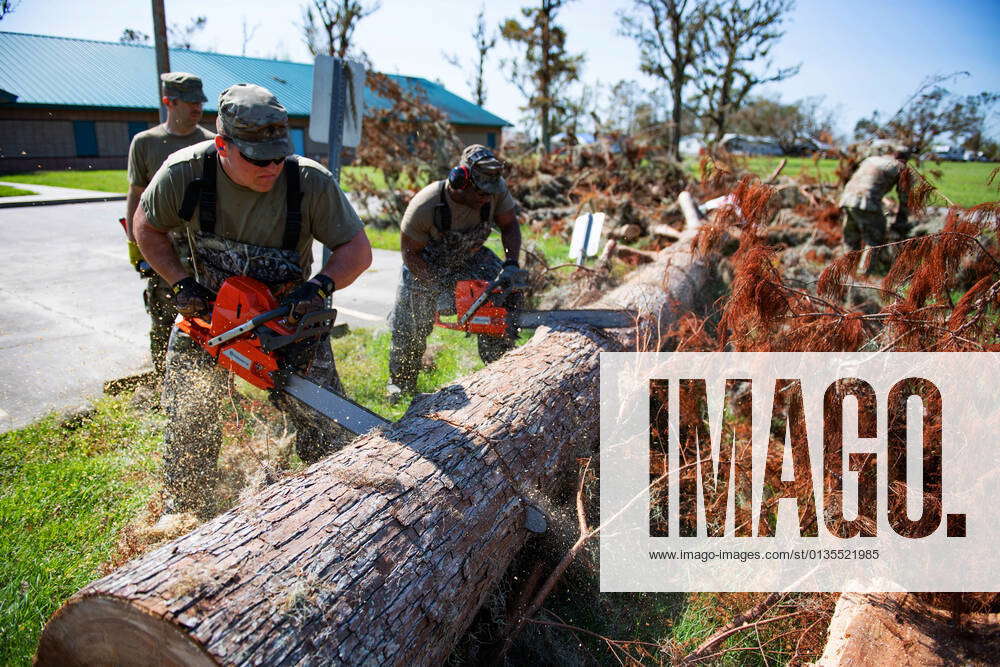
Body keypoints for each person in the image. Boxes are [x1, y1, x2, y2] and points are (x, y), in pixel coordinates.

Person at [134, 83, 372, 516]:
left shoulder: (308, 182)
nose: (272, 167)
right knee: (189, 419)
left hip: (286, 318)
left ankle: (338, 510)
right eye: (259, 159)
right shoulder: (184, 173)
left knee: (330, 428)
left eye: (279, 155)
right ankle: (184, 511)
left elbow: (358, 250)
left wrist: (319, 286)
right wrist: (181, 283)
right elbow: (146, 227)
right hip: (208, 316)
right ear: (222, 145)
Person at [387, 144, 524, 401]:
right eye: (481, 192)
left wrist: (512, 264)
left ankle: (502, 365)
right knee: (410, 326)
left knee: (506, 293)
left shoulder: (496, 191)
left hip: (470, 256)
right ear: (461, 179)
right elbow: (410, 254)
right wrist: (439, 289)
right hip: (427, 264)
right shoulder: (426, 205)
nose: (486, 198)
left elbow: (509, 225)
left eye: (490, 192)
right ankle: (400, 385)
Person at [126, 72, 216, 377]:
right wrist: (134, 244)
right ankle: (163, 378)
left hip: (204, 246)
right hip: (162, 243)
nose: (197, 108)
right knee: (164, 315)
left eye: (200, 102)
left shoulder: (210, 143)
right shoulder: (146, 143)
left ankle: (210, 382)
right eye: (190, 102)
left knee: (209, 316)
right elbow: (137, 196)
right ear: (169, 101)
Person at [838, 146, 911, 274]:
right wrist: (901, 220)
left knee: (850, 237)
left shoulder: (871, 159)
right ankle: (863, 274)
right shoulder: (900, 167)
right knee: (874, 239)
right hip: (867, 202)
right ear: (906, 158)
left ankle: (846, 270)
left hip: (847, 199)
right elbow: (904, 197)